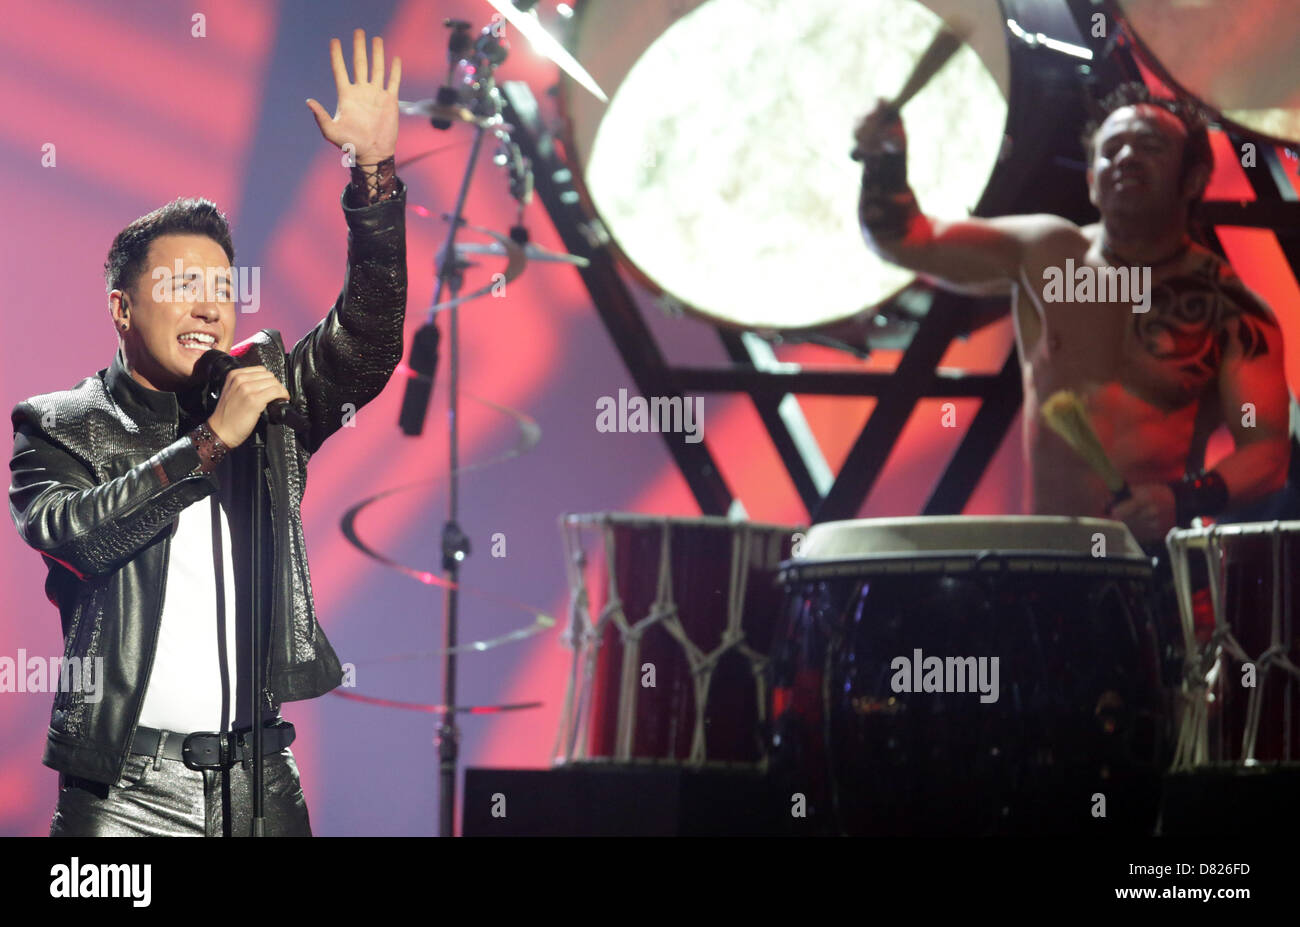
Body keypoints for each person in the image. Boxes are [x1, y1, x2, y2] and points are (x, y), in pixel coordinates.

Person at [8, 28, 406, 836]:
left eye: (220, 288)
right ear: (122, 306)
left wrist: (372, 182)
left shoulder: (262, 398)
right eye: (180, 285)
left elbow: (366, 341)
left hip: (261, 780)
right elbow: (75, 534)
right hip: (123, 790)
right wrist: (207, 445)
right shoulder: (57, 424)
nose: (206, 306)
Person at [853, 82, 1291, 544]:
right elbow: (909, 241)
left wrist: (1182, 499)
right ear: (1090, 181)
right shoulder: (1045, 256)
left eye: (1150, 146)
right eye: (1111, 149)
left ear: (1195, 178)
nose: (1125, 158)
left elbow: (1265, 451)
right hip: (1051, 568)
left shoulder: (1230, 310)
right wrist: (884, 158)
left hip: (1156, 569)